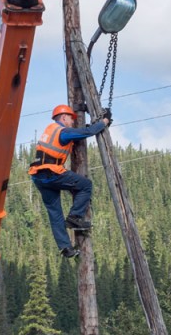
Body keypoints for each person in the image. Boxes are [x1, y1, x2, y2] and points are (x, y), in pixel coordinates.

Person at [29, 104, 111, 258]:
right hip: (51, 173)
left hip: (39, 177)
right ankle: (74, 217)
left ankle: (66, 248)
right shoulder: (62, 131)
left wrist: (90, 126)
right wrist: (104, 122)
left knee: (55, 213)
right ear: (64, 117)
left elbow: (79, 132)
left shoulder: (51, 131)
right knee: (86, 185)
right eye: (71, 119)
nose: (73, 122)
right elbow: (86, 132)